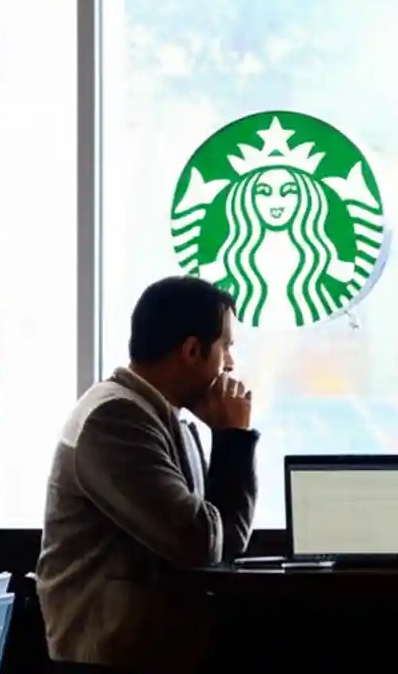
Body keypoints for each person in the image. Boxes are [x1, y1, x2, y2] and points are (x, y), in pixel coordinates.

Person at [36, 275, 260, 674]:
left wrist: (231, 442)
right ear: (193, 350)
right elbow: (199, 542)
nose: (229, 363)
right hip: (107, 659)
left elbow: (229, 542)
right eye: (226, 346)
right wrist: (232, 438)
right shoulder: (115, 418)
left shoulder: (169, 420)